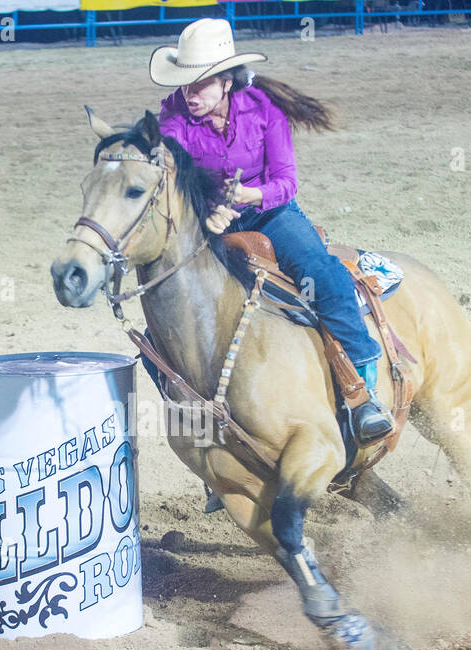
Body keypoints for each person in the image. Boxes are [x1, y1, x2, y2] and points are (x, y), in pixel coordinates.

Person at [149, 18, 395, 451]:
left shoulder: (264, 110)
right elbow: (170, 180)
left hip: (270, 213)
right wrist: (207, 212)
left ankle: (363, 393)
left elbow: (286, 181)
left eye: (201, 83)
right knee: (162, 321)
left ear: (226, 82)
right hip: (210, 225)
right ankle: (198, 422)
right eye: (187, 83)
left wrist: (249, 194)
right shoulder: (172, 119)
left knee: (324, 272)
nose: (191, 93)